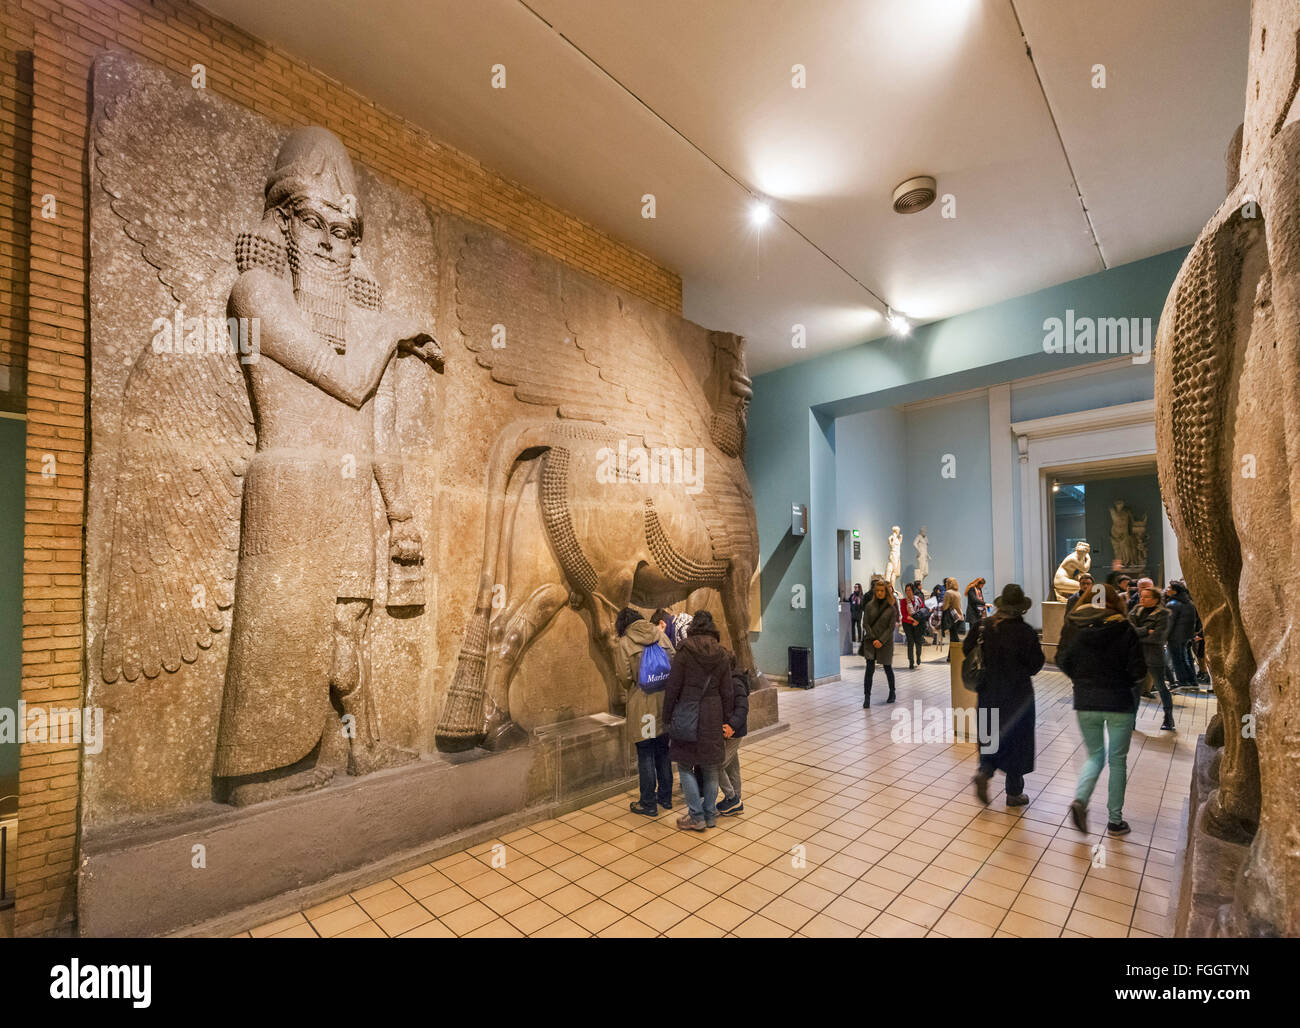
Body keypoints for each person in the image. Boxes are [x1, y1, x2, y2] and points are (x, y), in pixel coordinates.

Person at [1058, 584, 1147, 836]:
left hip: (1086, 700)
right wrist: (1126, 680)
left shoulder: (1073, 625)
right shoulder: (1125, 628)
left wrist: (1082, 679)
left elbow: (1063, 660)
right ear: (1115, 602)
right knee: (1117, 761)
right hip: (1120, 701)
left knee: (1095, 755)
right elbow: (1138, 670)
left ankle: (1080, 800)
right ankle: (1115, 821)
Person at [965, 584, 1044, 808]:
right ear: (1021, 609)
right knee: (1017, 741)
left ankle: (985, 771)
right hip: (1018, 696)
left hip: (988, 692)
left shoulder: (983, 627)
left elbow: (966, 649)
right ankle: (1014, 793)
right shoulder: (1025, 632)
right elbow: (1036, 665)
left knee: (990, 735)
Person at [662, 610, 735, 831]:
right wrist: (728, 719)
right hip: (713, 715)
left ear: (693, 627)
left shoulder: (685, 651)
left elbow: (673, 687)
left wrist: (666, 716)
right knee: (711, 767)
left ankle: (696, 815)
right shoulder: (721, 654)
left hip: (688, 714)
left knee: (685, 765)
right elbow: (728, 691)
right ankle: (710, 815)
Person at [615, 608, 676, 816]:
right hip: (663, 704)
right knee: (663, 749)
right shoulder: (660, 634)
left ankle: (648, 802)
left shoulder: (624, 643)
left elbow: (624, 677)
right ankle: (666, 798)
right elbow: (673, 661)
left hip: (643, 708)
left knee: (646, 752)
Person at [1130, 587, 1175, 731]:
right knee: (1135, 689)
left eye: (1146, 597)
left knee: (1161, 686)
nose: (1142, 599)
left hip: (1154, 656)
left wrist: (1138, 635)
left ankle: (1168, 718)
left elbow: (1158, 637)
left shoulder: (1164, 614)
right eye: (1141, 596)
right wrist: (1146, 630)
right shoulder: (1136, 610)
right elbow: (1127, 629)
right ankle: (1131, 721)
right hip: (1137, 656)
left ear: (1155, 599)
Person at [716, 663, 750, 816]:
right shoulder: (726, 680)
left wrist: (732, 725)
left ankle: (732, 798)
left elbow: (742, 707)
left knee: (715, 765)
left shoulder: (735, 682)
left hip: (734, 732)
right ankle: (736, 798)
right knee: (732, 766)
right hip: (729, 731)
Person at [858, 578, 897, 706]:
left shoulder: (891, 609)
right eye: (878, 591)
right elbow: (865, 623)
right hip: (871, 641)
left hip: (885, 643)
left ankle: (892, 692)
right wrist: (874, 638)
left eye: (882, 591)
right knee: (869, 669)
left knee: (887, 667)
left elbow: (890, 628)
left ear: (886, 592)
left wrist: (881, 640)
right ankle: (867, 697)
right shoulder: (869, 606)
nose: (880, 593)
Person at [1164, 582, 1199, 691]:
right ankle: (1192, 681)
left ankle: (1183, 682)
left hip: (1175, 637)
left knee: (1177, 660)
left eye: (1169, 587)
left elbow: (1169, 623)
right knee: (1186, 659)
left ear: (1175, 591)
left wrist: (1164, 637)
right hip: (1187, 636)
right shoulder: (1189, 603)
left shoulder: (1172, 604)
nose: (1167, 589)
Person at [899, 583, 926, 670]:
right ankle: (911, 661)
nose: (907, 592)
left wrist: (918, 621)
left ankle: (918, 656)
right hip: (907, 623)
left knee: (918, 642)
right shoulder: (903, 601)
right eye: (906, 590)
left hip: (918, 624)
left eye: (909, 590)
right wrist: (914, 621)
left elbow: (922, 610)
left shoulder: (918, 599)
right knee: (910, 642)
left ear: (913, 591)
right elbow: (904, 615)